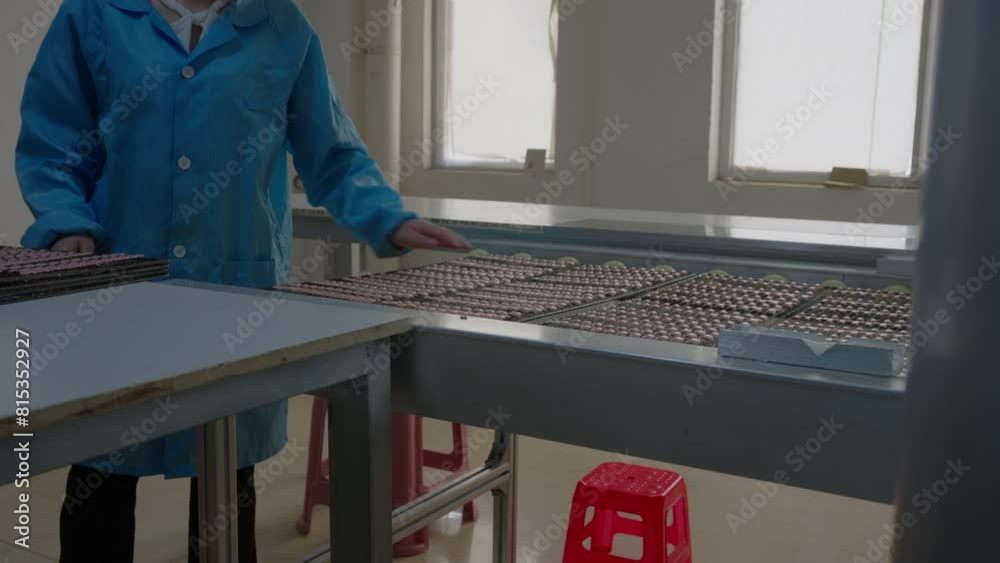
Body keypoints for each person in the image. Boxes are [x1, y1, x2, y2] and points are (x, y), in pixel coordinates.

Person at [16, 1, 471, 561]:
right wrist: (66, 226)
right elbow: (54, 141)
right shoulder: (95, 16)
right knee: (101, 478)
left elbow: (331, 153)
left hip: (235, 296)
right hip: (119, 292)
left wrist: (387, 216)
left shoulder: (281, 26)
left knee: (226, 486)